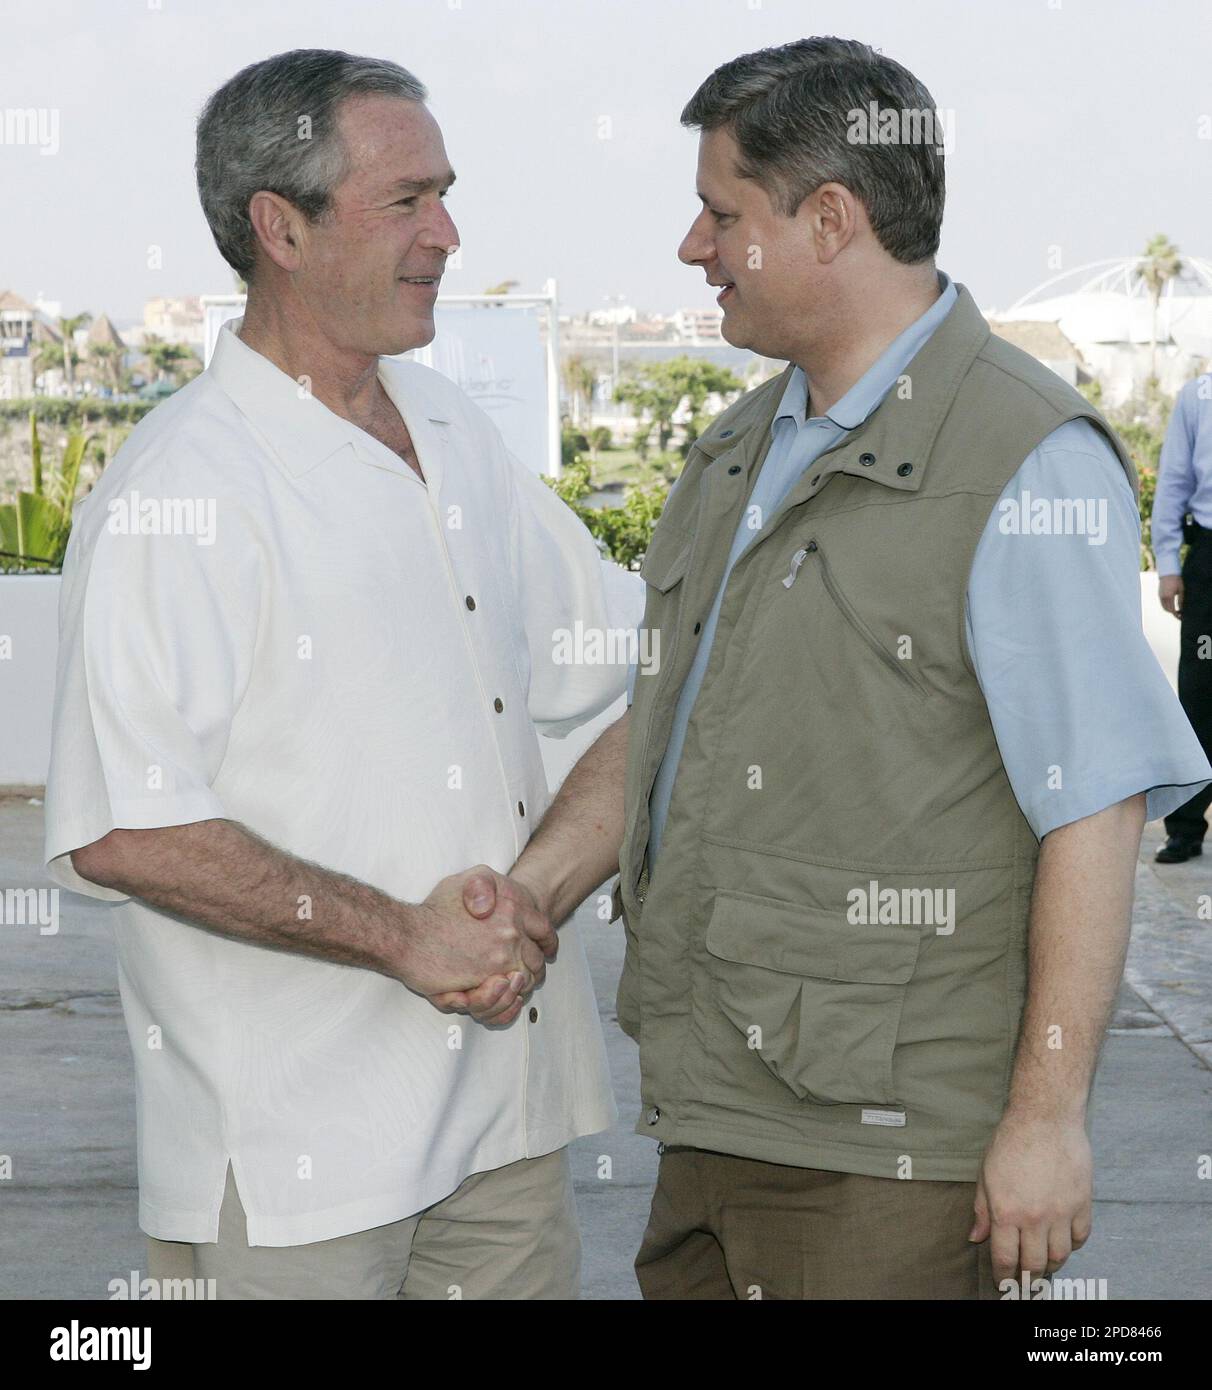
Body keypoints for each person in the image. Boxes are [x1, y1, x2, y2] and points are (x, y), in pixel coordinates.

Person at [501, 36, 1212, 1299]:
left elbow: (1093, 809)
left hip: (889, 1164)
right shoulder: (739, 447)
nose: (692, 247)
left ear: (829, 219)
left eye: (722, 213)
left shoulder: (1020, 457)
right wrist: (530, 896)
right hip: (713, 1112)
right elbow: (673, 719)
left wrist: (1045, 1117)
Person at [43, 48, 640, 1300]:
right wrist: (401, 940)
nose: (448, 231)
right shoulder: (183, 491)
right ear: (281, 229)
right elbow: (126, 830)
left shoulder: (456, 431)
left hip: (506, 1124)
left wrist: (527, 899)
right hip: (298, 1165)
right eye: (405, 200)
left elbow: (634, 668)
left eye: (446, 193)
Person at [1151, 372, 1212, 862]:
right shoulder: (1197, 394)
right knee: (1200, 690)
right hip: (1210, 556)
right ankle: (1186, 828)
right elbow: (1174, 479)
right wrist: (1168, 565)